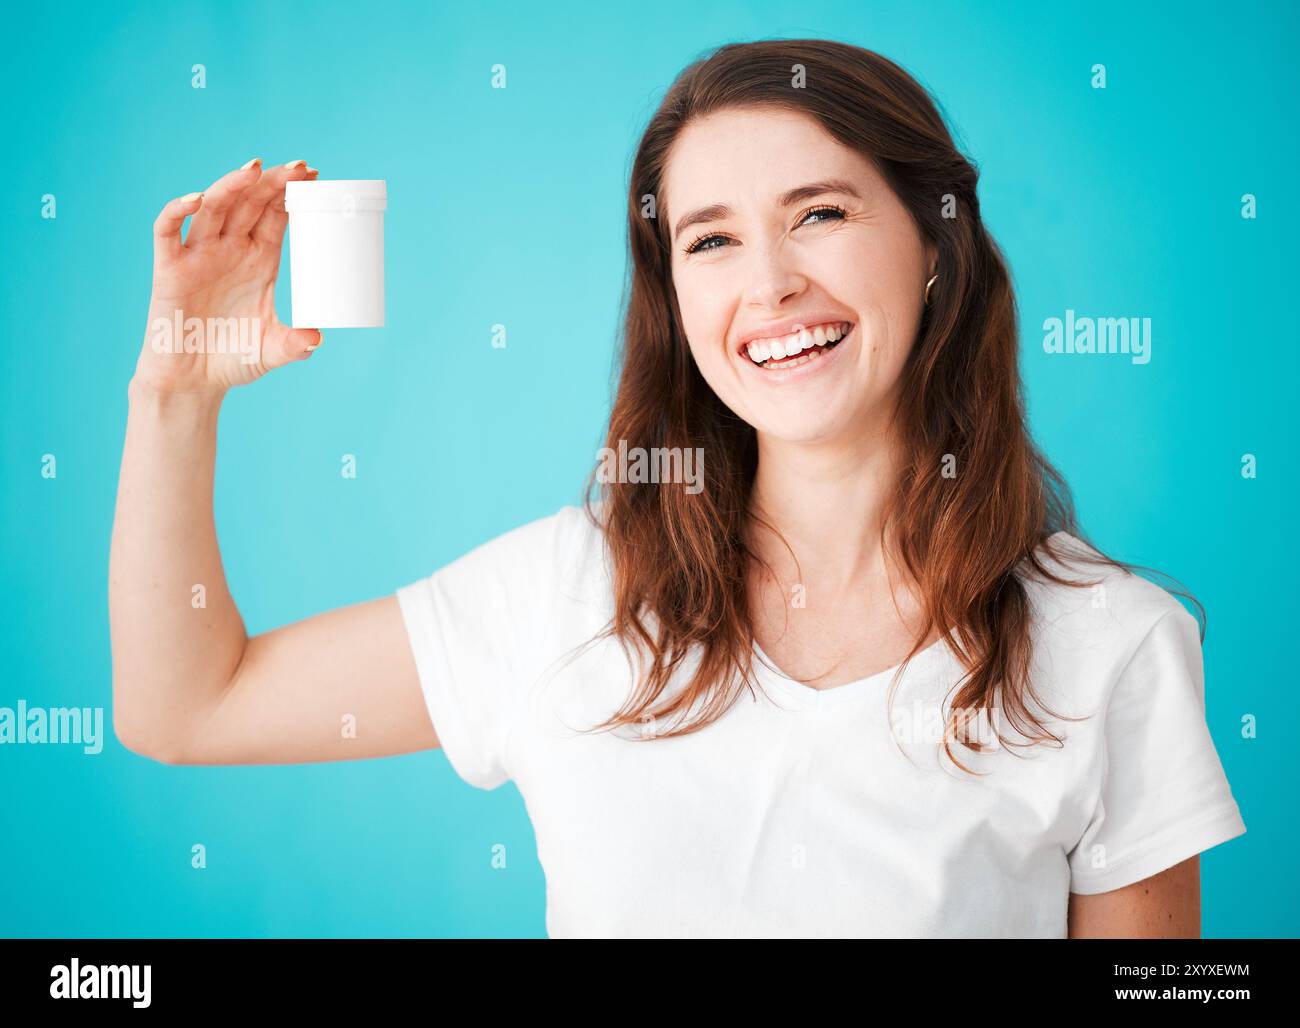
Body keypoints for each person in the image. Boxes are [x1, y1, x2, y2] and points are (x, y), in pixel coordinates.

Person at [110, 39, 1246, 939]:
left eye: (821, 212)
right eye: (709, 241)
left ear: (935, 243)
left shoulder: (1110, 643)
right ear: (676, 298)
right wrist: (175, 388)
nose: (770, 283)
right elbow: (184, 705)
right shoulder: (566, 592)